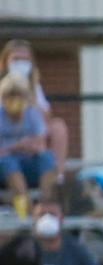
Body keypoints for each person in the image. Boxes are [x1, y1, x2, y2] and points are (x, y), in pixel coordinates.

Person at [1, 39, 68, 184]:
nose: (21, 64)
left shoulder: (34, 86)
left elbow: (46, 117)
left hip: (32, 137)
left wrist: (29, 99)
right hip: (6, 142)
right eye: (16, 59)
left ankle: (57, 176)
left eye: (25, 60)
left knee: (58, 127)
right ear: (5, 61)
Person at [0, 74, 56, 217]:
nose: (14, 100)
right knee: (8, 161)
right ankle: (27, 211)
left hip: (29, 161)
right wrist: (18, 146)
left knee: (47, 157)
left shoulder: (32, 113)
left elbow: (40, 143)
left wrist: (27, 146)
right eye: (9, 96)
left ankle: (45, 204)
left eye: (18, 95)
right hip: (6, 167)